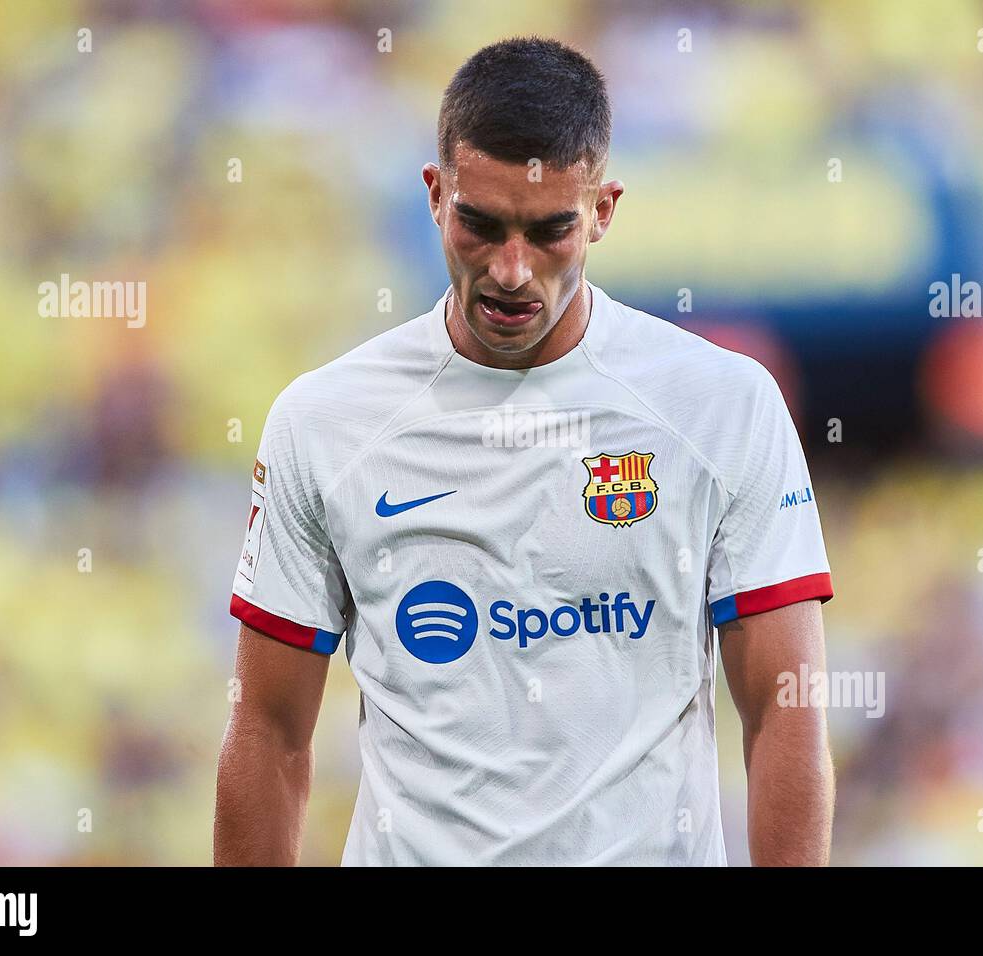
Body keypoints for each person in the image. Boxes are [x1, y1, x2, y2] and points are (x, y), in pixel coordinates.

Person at [214, 36, 834, 866]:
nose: (512, 270)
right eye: (481, 224)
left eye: (550, 232)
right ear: (436, 197)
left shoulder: (722, 406)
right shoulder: (326, 423)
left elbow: (786, 713)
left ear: (604, 211)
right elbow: (268, 730)